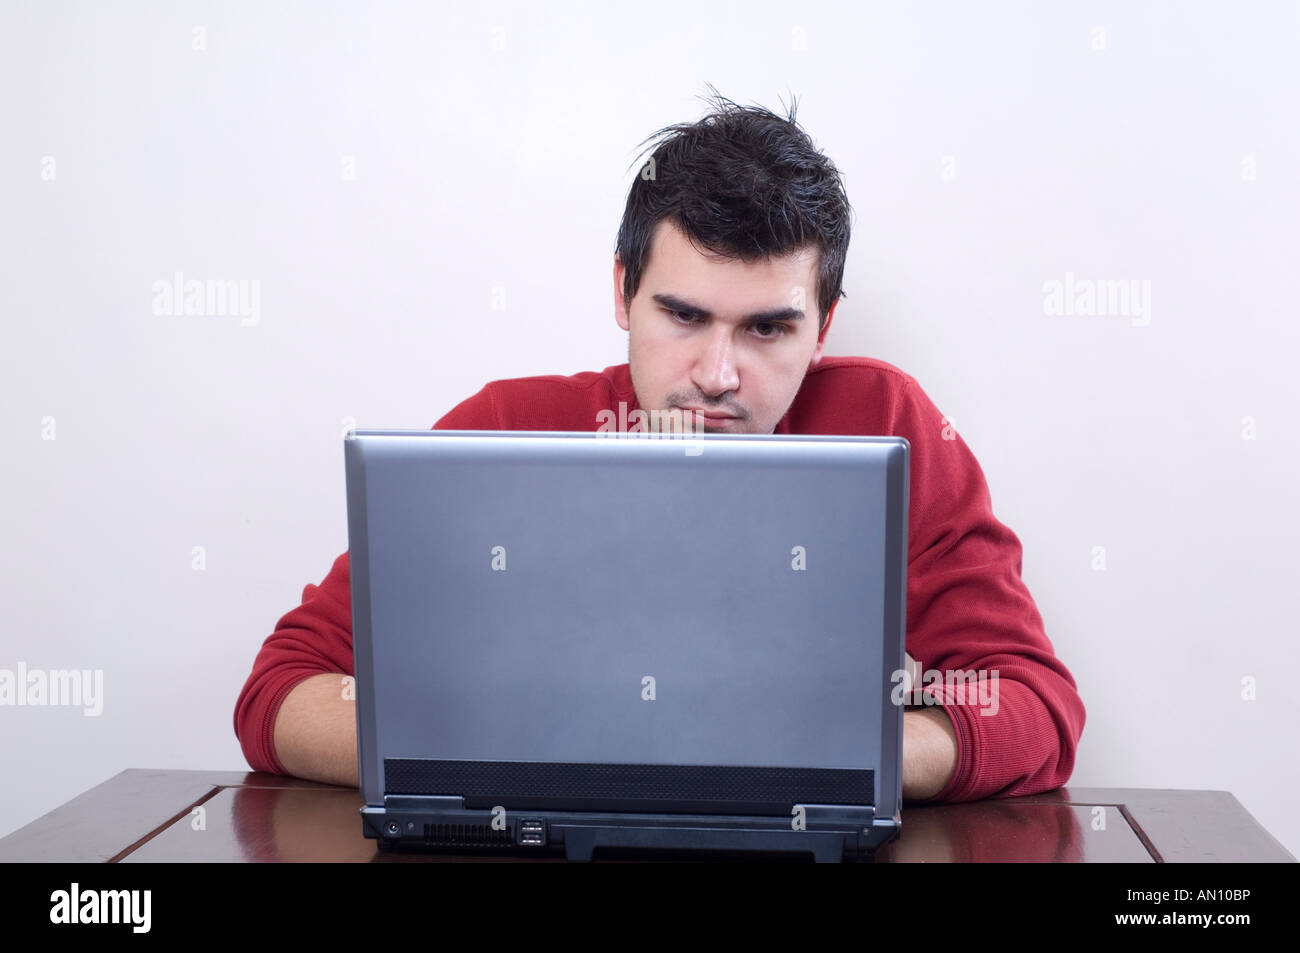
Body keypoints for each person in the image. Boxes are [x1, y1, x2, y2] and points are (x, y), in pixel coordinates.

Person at [234, 90, 1085, 804]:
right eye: (683, 315)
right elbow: (281, 693)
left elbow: (1037, 706)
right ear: (622, 292)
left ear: (823, 327)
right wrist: (537, 759)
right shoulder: (505, 427)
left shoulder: (887, 421)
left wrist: (830, 759)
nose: (717, 374)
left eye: (766, 329)